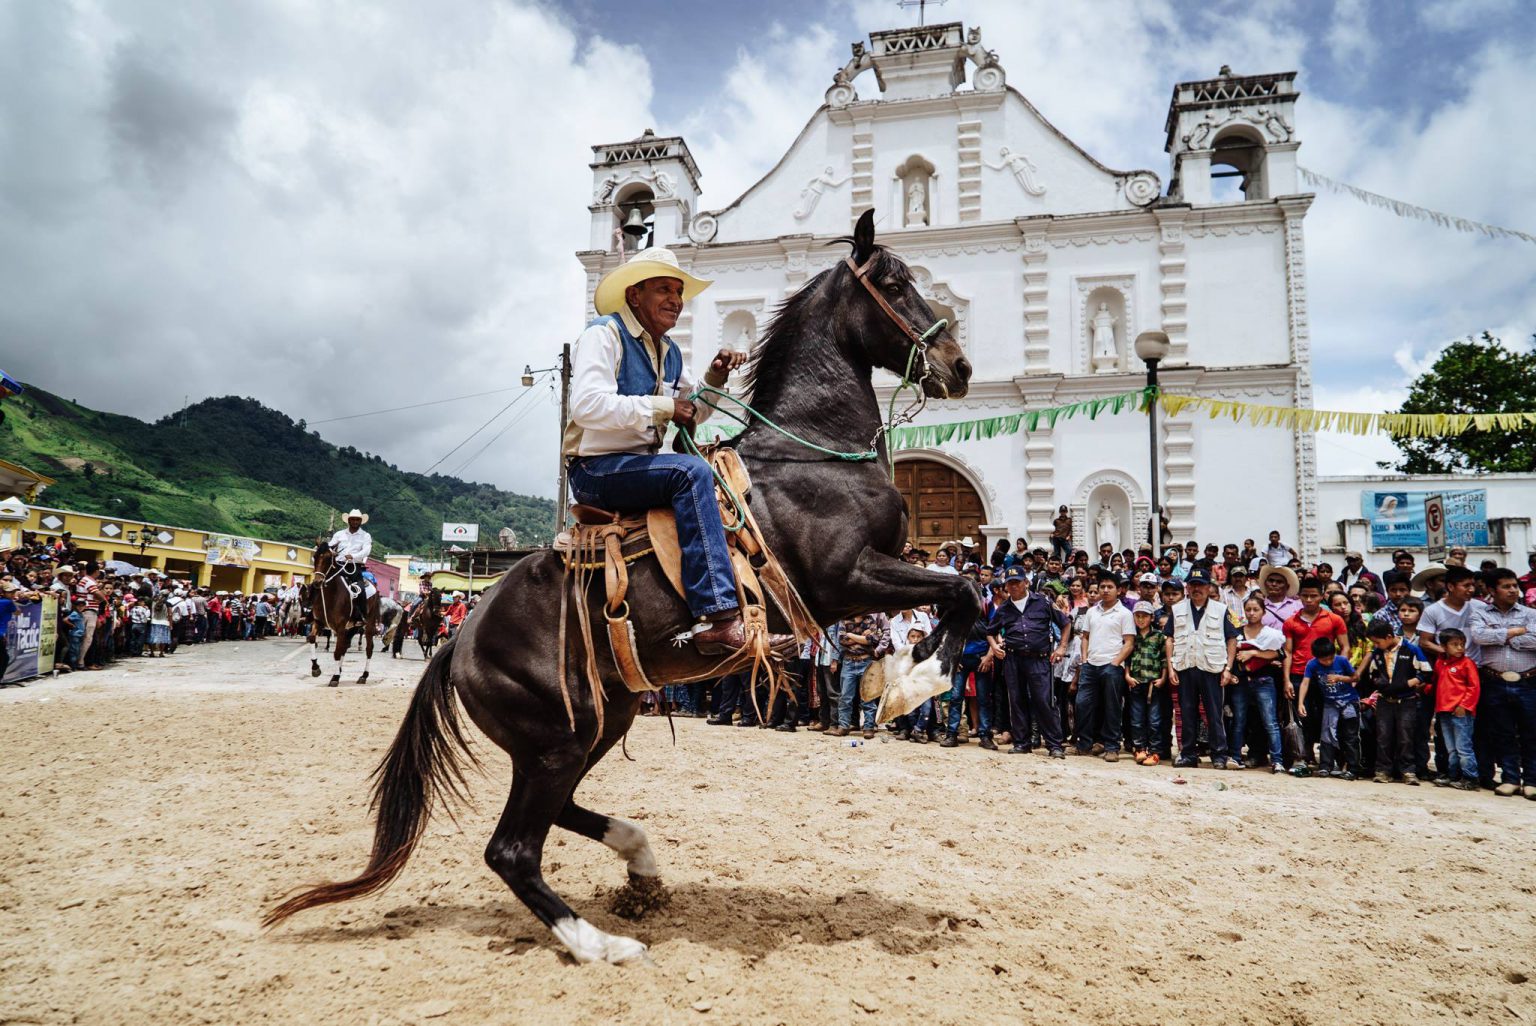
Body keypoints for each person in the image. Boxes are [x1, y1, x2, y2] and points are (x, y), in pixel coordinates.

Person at [564, 245, 765, 656]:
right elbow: (585, 405)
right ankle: (718, 616)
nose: (676, 299)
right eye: (664, 290)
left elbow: (696, 412)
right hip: (595, 470)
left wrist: (715, 376)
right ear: (635, 295)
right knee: (690, 473)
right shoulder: (604, 334)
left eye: (678, 291)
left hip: (638, 468)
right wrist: (663, 406)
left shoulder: (670, 353)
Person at [986, 566, 1071, 757]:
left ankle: (1054, 745)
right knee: (1016, 701)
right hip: (1013, 659)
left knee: (1044, 701)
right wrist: (994, 646)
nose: (1014, 586)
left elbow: (1065, 623)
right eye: (1010, 583)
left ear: (1026, 582)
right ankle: (1022, 743)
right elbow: (990, 631)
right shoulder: (1004, 608)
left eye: (1017, 582)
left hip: (1039, 659)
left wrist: (1062, 647)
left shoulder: (1043, 602)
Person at [1468, 568, 1536, 798]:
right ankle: (1510, 778)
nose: (1513, 590)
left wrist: (1502, 635)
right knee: (1502, 732)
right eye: (1506, 586)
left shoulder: (1530, 613)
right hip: (1494, 680)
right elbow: (1479, 636)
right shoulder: (1480, 613)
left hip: (1527, 680)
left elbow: (1535, 639)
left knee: (1531, 732)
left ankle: (1532, 780)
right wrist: (1516, 632)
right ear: (1491, 590)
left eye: (1515, 586)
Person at [1168, 569, 1242, 770]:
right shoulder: (1177, 609)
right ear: (1188, 587)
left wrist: (1228, 668)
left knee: (1214, 713)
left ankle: (1219, 755)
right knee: (1187, 712)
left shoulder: (1222, 609)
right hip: (1185, 666)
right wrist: (1171, 667)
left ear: (1209, 587)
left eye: (1200, 585)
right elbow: (1170, 638)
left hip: (1212, 668)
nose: (1196, 588)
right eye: (1192, 584)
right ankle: (1188, 754)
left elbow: (1232, 639)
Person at [1281, 576, 1348, 766]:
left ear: (1321, 597)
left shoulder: (1335, 620)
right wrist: (1286, 680)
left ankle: (1332, 758)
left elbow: (1345, 647)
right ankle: (1302, 755)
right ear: (1299, 596)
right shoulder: (1291, 622)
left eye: (1313, 596)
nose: (1309, 600)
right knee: (1301, 716)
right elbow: (1288, 651)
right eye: (1305, 596)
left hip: (1326, 675)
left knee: (1328, 716)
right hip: (1298, 674)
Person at [1075, 572, 1135, 761]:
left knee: (1112, 706)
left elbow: (1129, 642)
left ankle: (1111, 747)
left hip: (1112, 666)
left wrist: (1115, 663)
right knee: (1082, 704)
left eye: (1110, 587)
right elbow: (1085, 636)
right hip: (1090, 665)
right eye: (1103, 587)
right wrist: (1084, 660)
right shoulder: (1092, 611)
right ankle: (1084, 744)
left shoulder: (1124, 613)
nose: (1106, 590)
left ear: (1119, 590)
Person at [1364, 618, 1431, 784]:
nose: (1376, 645)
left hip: (1406, 700)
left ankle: (1408, 771)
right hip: (1385, 700)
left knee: (1406, 736)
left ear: (1388, 636)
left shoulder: (1411, 649)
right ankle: (1383, 770)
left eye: (1377, 641)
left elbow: (1426, 672)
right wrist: (1380, 683)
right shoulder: (1378, 653)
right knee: (1383, 736)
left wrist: (1407, 684)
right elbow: (1373, 674)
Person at [1231, 595, 1286, 773]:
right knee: (1239, 720)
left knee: (1270, 721)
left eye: (1256, 610)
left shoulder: (1271, 633)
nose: (1252, 613)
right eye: (1248, 610)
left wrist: (1253, 653)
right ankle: (1235, 756)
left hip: (1264, 680)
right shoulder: (1236, 632)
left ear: (1263, 612)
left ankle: (1277, 760)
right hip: (1240, 681)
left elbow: (1278, 653)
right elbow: (1230, 654)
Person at [1298, 637, 1361, 779]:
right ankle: (1325, 766)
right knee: (1326, 734)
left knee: (1350, 736)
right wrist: (1300, 703)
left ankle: (1353, 768)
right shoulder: (1312, 665)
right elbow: (1305, 683)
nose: (1327, 662)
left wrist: (1340, 678)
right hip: (1330, 703)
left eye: (1330, 659)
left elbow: (1355, 677)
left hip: (1349, 702)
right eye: (1324, 660)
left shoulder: (1342, 661)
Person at [1430, 628, 1480, 791]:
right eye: (1455, 645)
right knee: (1451, 748)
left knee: (1463, 747)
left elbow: (1474, 687)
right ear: (1444, 647)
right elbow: (1437, 682)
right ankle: (1454, 776)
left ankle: (1470, 777)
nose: (1460, 648)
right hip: (1443, 710)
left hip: (1461, 712)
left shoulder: (1467, 664)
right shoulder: (1440, 663)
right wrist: (1426, 688)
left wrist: (1464, 706)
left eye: (1462, 644)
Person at [828, 610, 890, 740]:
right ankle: (843, 726)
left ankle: (868, 727)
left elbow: (872, 639)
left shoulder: (870, 620)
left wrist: (851, 635)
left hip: (866, 661)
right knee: (845, 697)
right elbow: (841, 640)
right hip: (848, 662)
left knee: (867, 697)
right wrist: (862, 637)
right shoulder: (845, 619)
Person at [1124, 601, 1169, 765]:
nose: (1141, 619)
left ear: (1151, 618)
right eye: (1138, 616)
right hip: (1136, 682)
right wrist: (1127, 676)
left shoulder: (1158, 636)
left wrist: (1163, 678)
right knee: (1136, 719)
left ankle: (1155, 751)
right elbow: (1127, 659)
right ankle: (1140, 748)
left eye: (1144, 616)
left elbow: (1164, 659)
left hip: (1153, 684)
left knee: (1155, 720)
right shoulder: (1131, 637)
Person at [328, 510, 374, 622]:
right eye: (352, 519)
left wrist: (353, 556)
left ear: (360, 521)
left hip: (353, 567)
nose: (354, 521)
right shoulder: (339, 534)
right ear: (348, 520)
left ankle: (362, 616)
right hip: (337, 566)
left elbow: (366, 551)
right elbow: (329, 546)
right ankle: (312, 610)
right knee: (321, 583)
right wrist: (331, 551)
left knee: (361, 589)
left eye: (357, 519)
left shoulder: (365, 536)